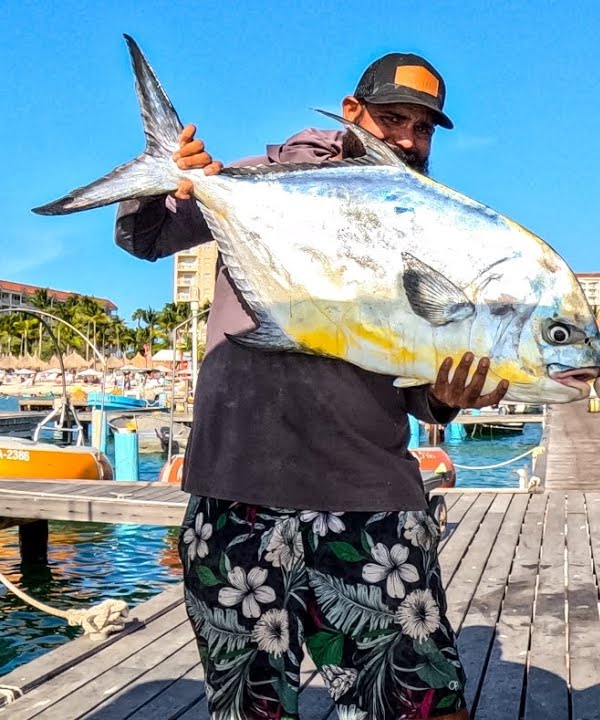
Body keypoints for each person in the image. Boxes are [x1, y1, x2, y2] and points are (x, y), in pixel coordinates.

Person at [116, 51, 502, 720]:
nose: (408, 139)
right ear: (351, 113)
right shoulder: (262, 180)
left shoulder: (433, 232)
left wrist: (450, 397)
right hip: (237, 489)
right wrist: (166, 180)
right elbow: (143, 237)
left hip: (369, 495)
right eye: (392, 119)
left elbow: (418, 385)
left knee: (421, 706)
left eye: (423, 127)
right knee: (250, 707)